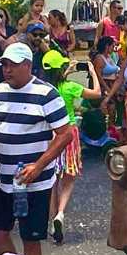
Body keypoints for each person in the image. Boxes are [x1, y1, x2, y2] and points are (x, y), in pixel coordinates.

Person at [0, 42, 73, 255]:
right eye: (5, 65)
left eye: (12, 65)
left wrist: (39, 165)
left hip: (35, 182)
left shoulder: (47, 94)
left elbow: (65, 134)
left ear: (27, 65)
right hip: (3, 179)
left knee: (30, 239)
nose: (7, 70)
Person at [43, 49, 97, 244]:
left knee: (52, 179)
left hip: (50, 134)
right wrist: (92, 72)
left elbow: (56, 80)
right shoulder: (70, 87)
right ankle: (60, 213)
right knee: (69, 177)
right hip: (69, 133)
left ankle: (52, 221)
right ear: (62, 69)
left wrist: (66, 71)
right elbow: (96, 93)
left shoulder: (45, 89)